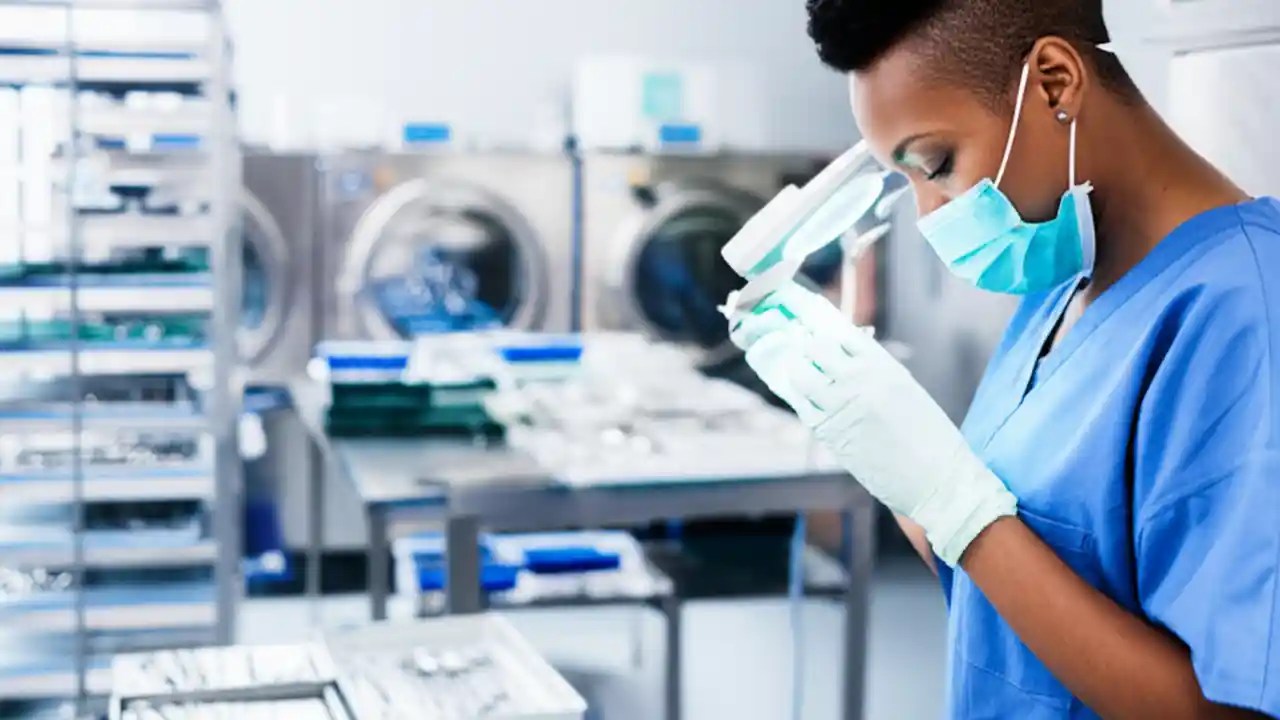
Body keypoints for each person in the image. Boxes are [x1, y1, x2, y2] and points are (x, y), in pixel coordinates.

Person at [730, 0, 1280, 718]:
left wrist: (960, 507)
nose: (930, 214)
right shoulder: (1061, 290)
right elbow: (996, 583)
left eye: (937, 165)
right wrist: (887, 448)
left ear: (1054, 82)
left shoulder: (1245, 311)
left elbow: (1223, 710)